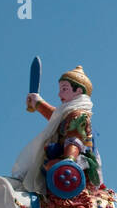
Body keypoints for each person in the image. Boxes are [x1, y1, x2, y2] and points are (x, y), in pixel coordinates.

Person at [13, 65, 103, 195]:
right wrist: (37, 103)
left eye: (64, 89)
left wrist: (69, 160)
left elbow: (74, 140)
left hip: (74, 164)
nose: (59, 94)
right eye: (60, 89)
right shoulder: (66, 114)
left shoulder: (78, 115)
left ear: (78, 91)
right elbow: (56, 118)